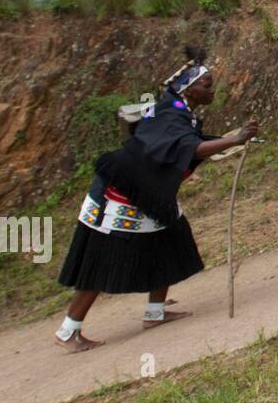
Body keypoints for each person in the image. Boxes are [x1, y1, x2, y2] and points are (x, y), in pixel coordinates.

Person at [54, 48, 258, 352]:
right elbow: (187, 147)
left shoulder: (173, 110)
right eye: (207, 85)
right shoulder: (171, 113)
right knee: (101, 262)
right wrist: (233, 140)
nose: (212, 90)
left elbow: (160, 129)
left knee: (170, 241)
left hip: (149, 192)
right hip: (122, 195)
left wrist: (229, 140)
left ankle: (155, 312)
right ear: (189, 90)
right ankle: (68, 330)